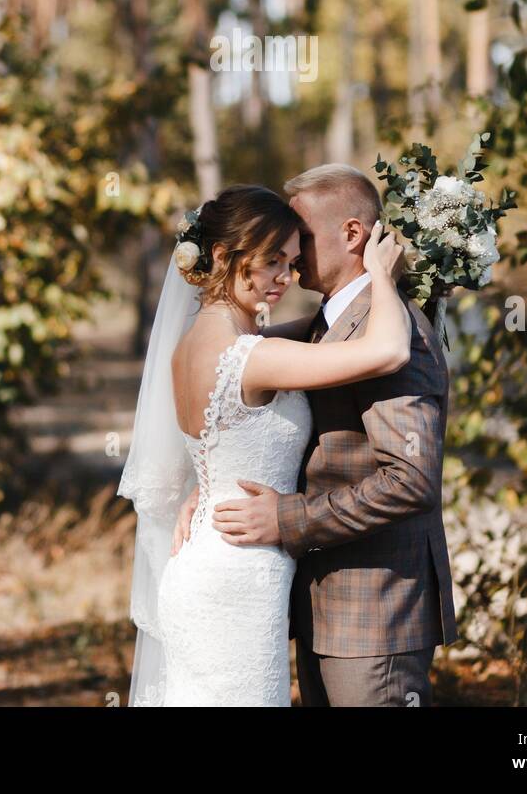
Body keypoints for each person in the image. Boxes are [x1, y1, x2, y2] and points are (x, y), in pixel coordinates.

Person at [118, 181, 409, 706]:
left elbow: (222, 447)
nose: (286, 277)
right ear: (224, 257)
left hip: (211, 560)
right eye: (271, 260)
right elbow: (389, 351)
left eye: (292, 261)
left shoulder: (196, 345)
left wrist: (203, 491)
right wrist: (381, 276)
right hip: (237, 582)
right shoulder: (252, 357)